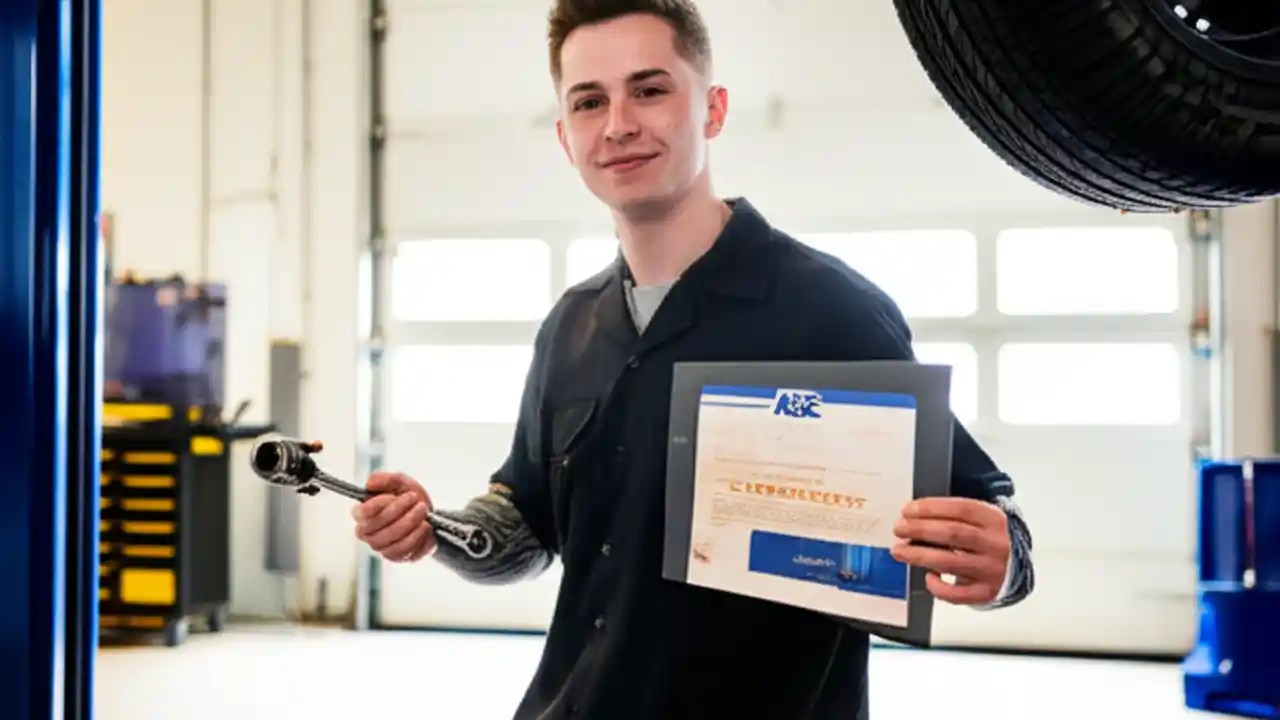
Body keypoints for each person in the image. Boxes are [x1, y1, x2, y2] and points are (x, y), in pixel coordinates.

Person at [351, 1, 1035, 717]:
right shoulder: (570, 328)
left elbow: (993, 520)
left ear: (712, 109)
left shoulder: (830, 311)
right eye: (590, 101)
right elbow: (525, 526)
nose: (618, 124)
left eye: (649, 90)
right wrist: (437, 531)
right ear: (565, 136)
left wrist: (1002, 561)